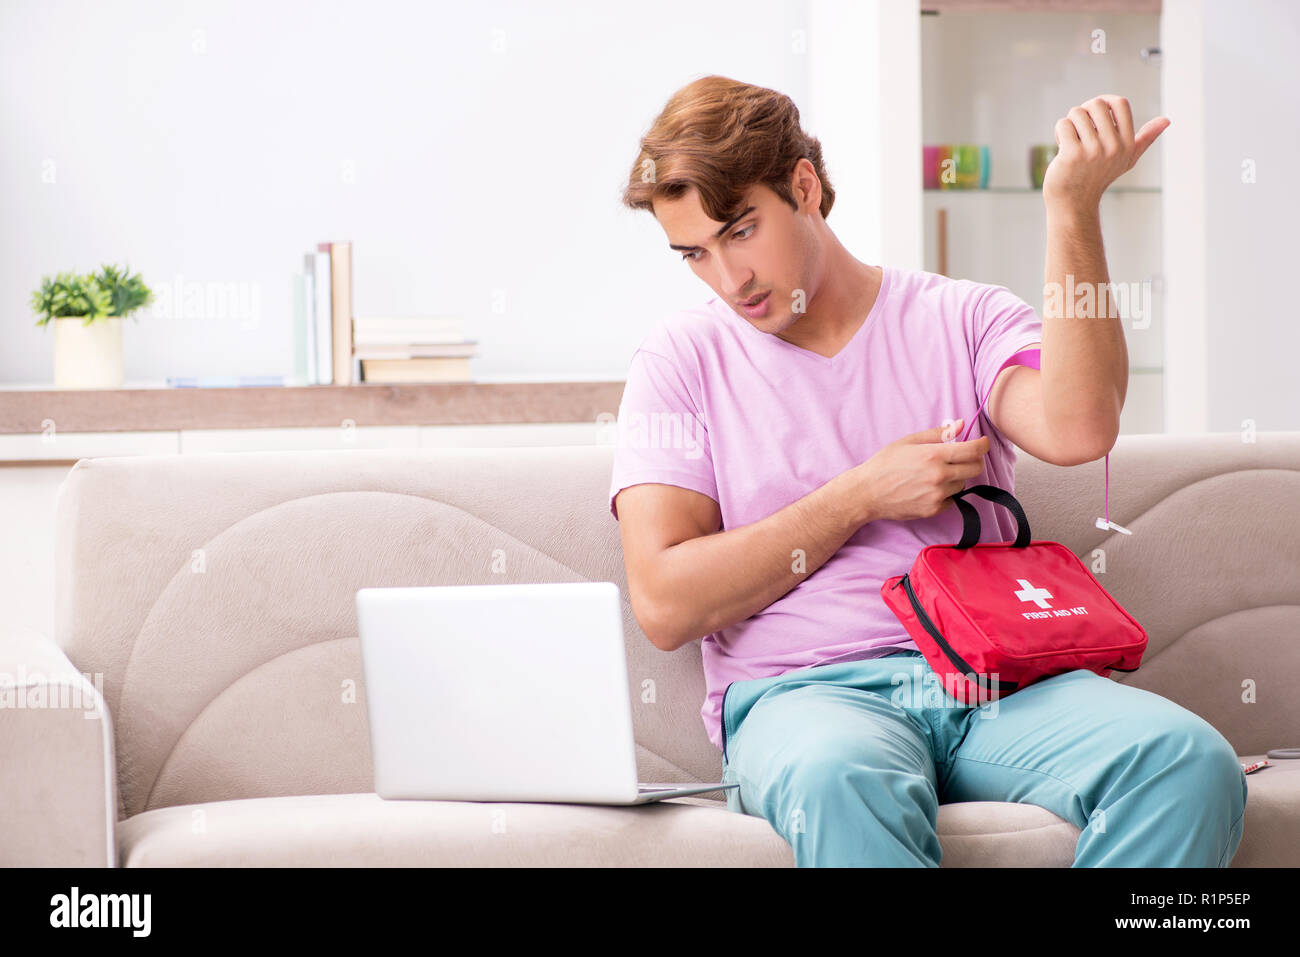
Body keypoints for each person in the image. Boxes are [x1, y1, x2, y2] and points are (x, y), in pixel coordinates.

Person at [608, 75, 1246, 867]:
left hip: (997, 682)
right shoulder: (680, 360)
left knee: (1187, 762)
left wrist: (1072, 208)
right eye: (695, 254)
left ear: (803, 186)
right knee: (841, 778)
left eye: (741, 231)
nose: (729, 279)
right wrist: (860, 495)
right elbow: (665, 603)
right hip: (809, 698)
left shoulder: (963, 318)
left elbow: (1080, 426)